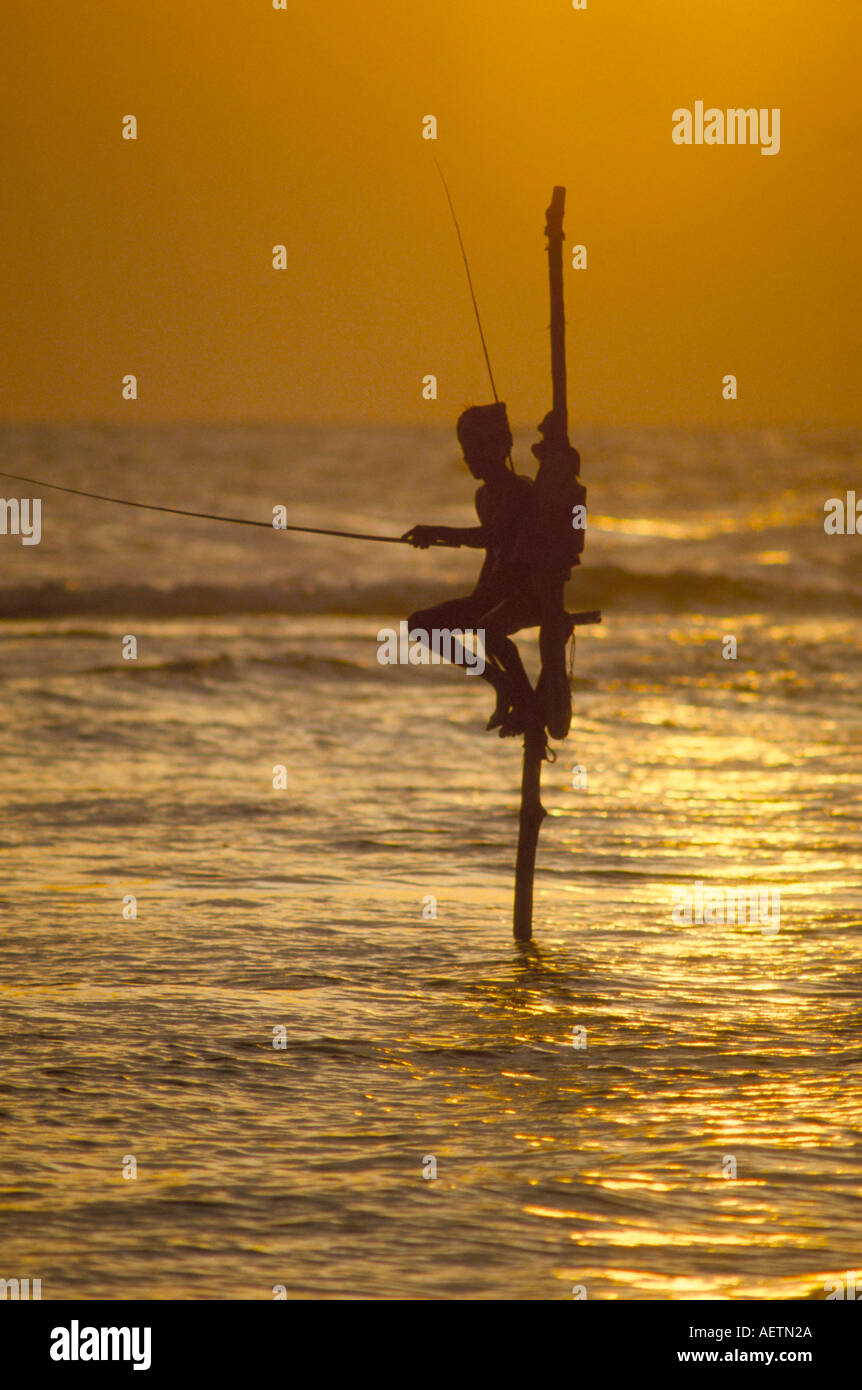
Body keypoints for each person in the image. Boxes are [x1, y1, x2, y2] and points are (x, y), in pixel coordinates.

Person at [402, 402, 543, 736]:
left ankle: (526, 703)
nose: (470, 457)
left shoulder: (519, 491)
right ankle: (501, 683)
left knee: (487, 628)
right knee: (420, 625)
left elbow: (491, 537)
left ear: (501, 447)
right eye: (466, 449)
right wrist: (479, 593)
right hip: (491, 596)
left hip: (525, 595)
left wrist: (435, 532)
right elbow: (492, 552)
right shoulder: (483, 496)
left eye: (478, 448)